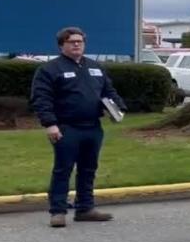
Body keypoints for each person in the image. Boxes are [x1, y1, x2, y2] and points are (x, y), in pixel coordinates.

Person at [29, 27, 125, 228]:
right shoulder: (49, 70)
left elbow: (108, 91)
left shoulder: (95, 67)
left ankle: (85, 208)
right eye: (71, 41)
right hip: (66, 128)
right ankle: (58, 211)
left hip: (93, 127)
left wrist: (118, 108)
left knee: (89, 169)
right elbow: (41, 99)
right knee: (63, 170)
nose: (76, 44)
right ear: (61, 45)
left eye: (79, 41)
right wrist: (50, 124)